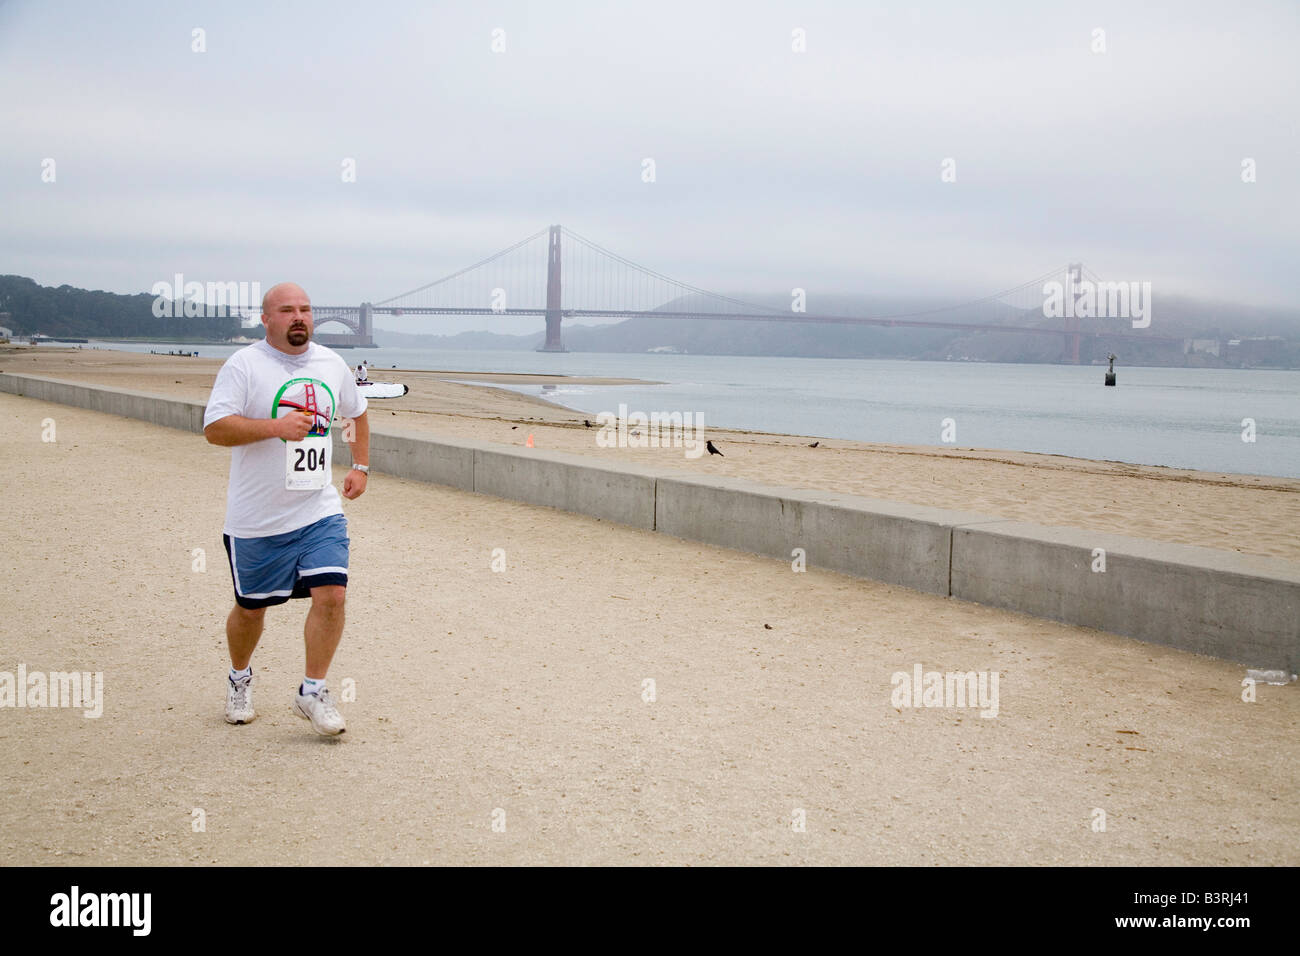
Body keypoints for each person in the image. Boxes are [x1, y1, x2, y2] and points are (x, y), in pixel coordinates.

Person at [203, 282, 371, 735]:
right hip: (256, 518)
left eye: (305, 309)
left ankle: (312, 691)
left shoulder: (331, 363)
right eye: (286, 310)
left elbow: (356, 411)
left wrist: (360, 464)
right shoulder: (244, 365)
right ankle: (240, 678)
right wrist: (275, 426)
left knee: (332, 594)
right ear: (266, 319)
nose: (299, 317)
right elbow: (215, 429)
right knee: (251, 610)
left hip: (318, 510)